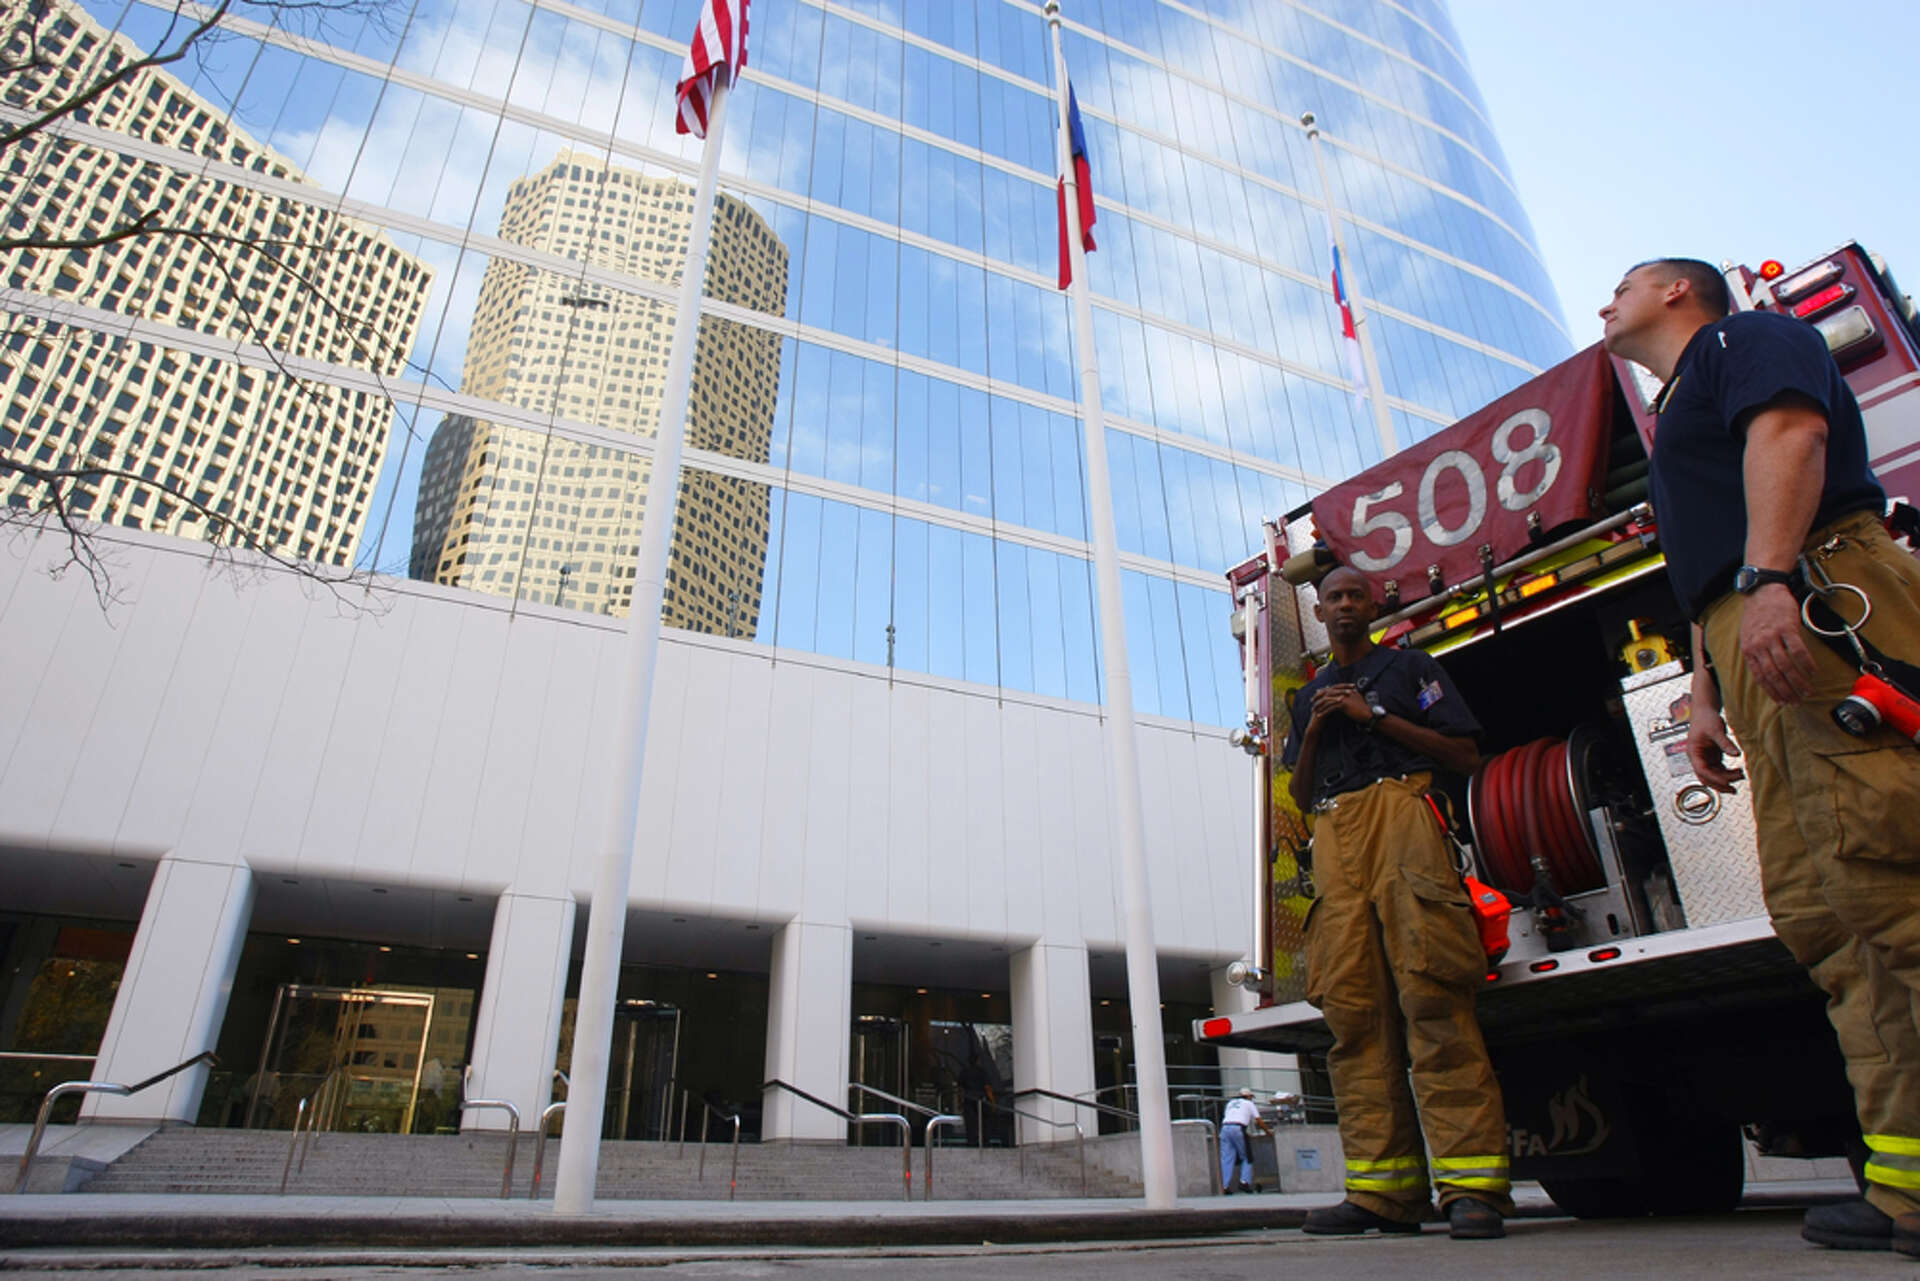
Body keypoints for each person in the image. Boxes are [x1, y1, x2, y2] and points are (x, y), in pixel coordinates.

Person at [1601, 258, 1920, 1256]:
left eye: (1624, 286)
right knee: (1829, 917)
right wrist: (1704, 691)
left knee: (1891, 877)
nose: (1606, 303)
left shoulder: (1748, 340)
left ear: (1678, 294)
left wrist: (1776, 580)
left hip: (1818, 586)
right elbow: (1711, 568)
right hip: (1749, 628)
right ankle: (1906, 1185)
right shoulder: (1674, 413)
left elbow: (1794, 436)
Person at [1280, 566, 1512, 1241]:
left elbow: (1465, 754)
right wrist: (1321, 727)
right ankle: (1381, 1192)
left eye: (1356, 595)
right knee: (1352, 1013)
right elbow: (1297, 791)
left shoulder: (1411, 668)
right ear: (1319, 613)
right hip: (1333, 831)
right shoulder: (1310, 693)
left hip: (1403, 812)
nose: (1345, 605)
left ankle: (1472, 1189)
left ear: (1372, 604)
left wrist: (1374, 715)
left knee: (1432, 992)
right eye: (1334, 599)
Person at [1220, 1086, 1266, 1193]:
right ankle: (1244, 1182)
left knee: (1226, 1158)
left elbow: (1230, 1116)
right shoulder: (1249, 1104)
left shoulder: (1230, 1103)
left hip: (1224, 1128)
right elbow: (1258, 1120)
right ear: (1249, 1096)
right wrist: (1268, 1132)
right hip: (1238, 1128)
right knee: (1247, 1157)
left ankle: (1224, 1186)